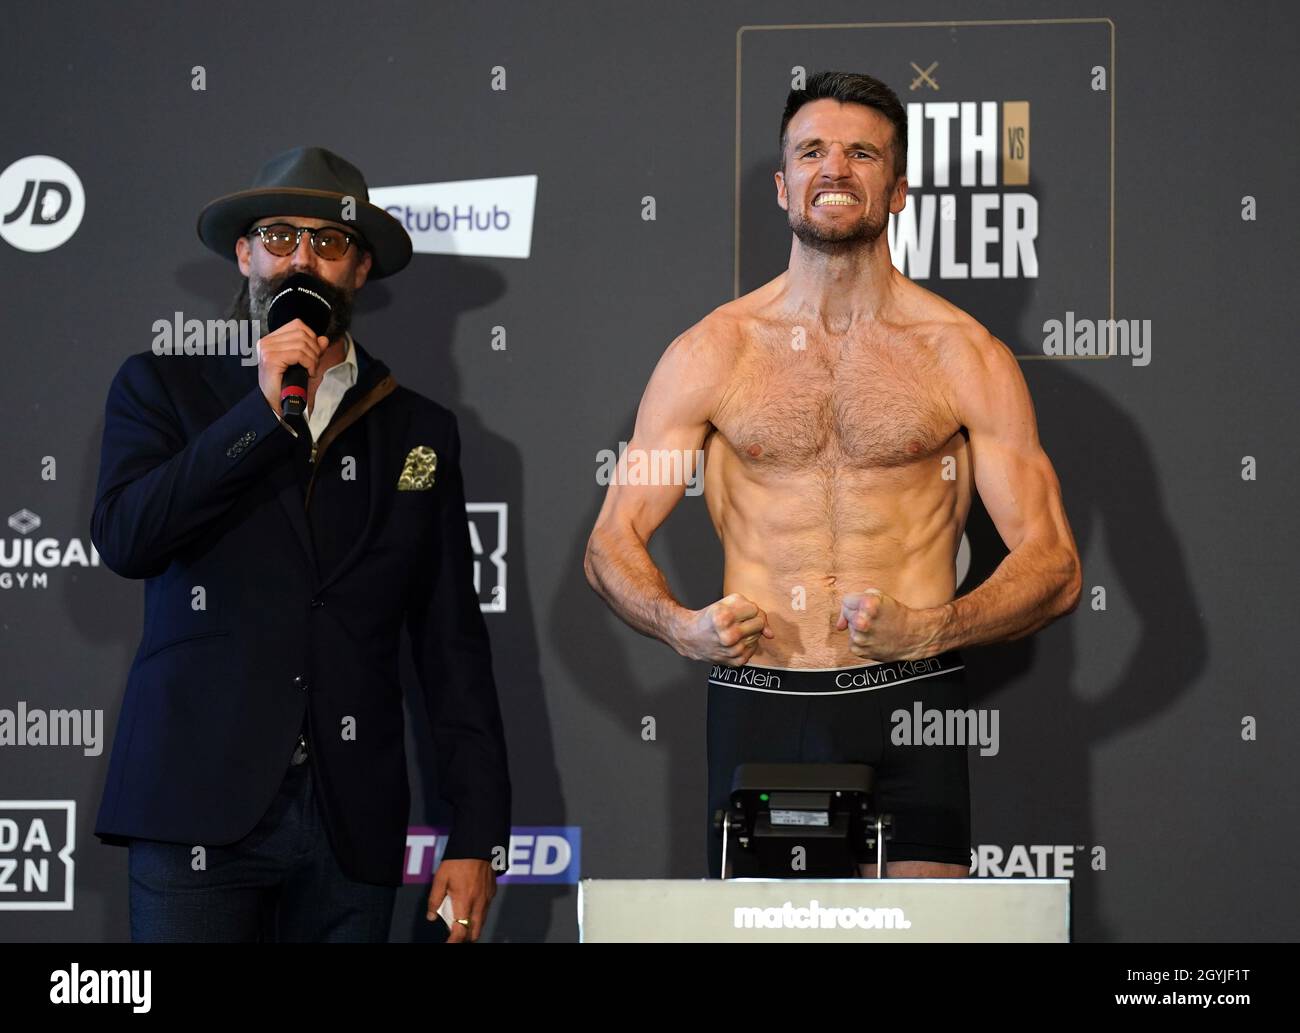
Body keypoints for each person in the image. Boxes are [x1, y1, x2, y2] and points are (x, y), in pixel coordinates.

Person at [584, 72, 1081, 879]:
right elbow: (612, 542)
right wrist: (679, 624)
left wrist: (931, 630)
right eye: (812, 151)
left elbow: (1054, 566)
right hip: (759, 697)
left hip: (912, 700)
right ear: (783, 186)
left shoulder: (962, 355)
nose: (835, 169)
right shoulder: (714, 351)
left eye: (861, 152)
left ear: (899, 189)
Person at [91, 145, 510, 940]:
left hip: (349, 823)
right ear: (245, 254)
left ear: (359, 269)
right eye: (280, 237)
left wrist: (478, 830)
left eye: (328, 241)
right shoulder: (160, 386)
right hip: (195, 810)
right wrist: (257, 413)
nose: (301, 259)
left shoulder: (417, 430)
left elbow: (450, 641)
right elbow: (126, 537)